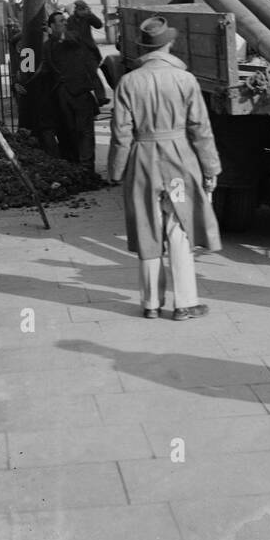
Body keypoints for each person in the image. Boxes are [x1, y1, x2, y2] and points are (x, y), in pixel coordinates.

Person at [107, 17, 222, 321]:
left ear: (145, 47)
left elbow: (121, 133)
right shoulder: (186, 80)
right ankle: (185, 303)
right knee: (179, 228)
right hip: (178, 162)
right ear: (169, 45)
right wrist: (211, 167)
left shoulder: (128, 82)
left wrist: (116, 171)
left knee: (148, 227)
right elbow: (201, 128)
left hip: (143, 161)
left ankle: (151, 304)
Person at [41, 9, 99, 171]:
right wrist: (23, 82)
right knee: (71, 130)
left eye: (65, 20)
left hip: (80, 92)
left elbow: (72, 39)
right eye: (61, 21)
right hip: (63, 94)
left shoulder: (73, 35)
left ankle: (87, 167)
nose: (65, 23)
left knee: (85, 132)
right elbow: (45, 68)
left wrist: (56, 35)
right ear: (52, 25)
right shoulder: (47, 46)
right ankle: (77, 164)